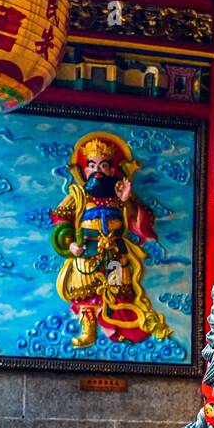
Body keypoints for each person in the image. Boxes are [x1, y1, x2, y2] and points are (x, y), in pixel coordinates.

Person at [50, 131, 172, 349]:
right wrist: (70, 244)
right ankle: (88, 330)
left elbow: (141, 220)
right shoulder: (79, 194)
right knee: (85, 289)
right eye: (92, 165)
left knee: (117, 288)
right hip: (87, 249)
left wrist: (126, 201)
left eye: (103, 165)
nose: (98, 170)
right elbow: (60, 217)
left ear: (112, 169)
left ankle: (117, 328)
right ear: (84, 169)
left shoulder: (119, 192)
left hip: (115, 249)